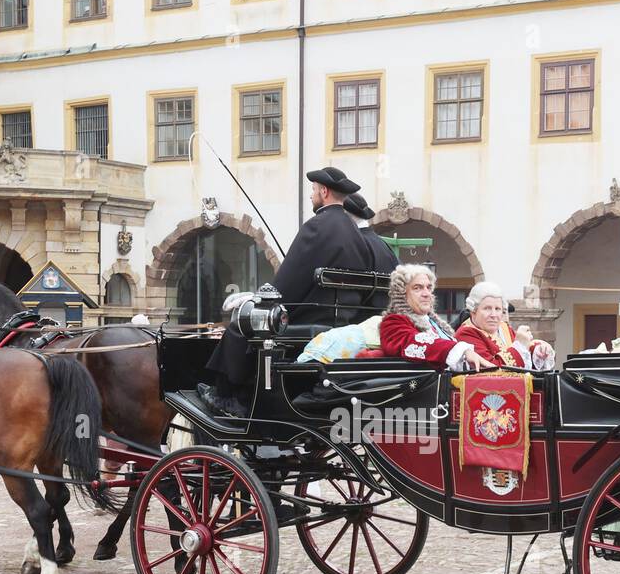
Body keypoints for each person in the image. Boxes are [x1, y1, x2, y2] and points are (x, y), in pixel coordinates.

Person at [198, 166, 376, 417]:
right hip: (340, 320)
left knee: (242, 324)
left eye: (313, 190)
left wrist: (257, 299)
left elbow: (285, 283)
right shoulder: (357, 235)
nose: (312, 195)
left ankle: (231, 397)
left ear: (324, 191)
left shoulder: (316, 227)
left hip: (310, 320)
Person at [379, 265, 496, 371]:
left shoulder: (434, 324)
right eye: (417, 288)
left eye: (428, 288)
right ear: (402, 293)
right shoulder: (392, 323)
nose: (426, 293)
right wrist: (462, 350)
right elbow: (414, 342)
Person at [454, 281, 555, 370]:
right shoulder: (465, 334)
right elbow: (492, 369)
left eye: (498, 309)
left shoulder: (503, 327)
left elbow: (524, 356)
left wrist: (538, 351)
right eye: (487, 308)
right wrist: (520, 345)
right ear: (473, 311)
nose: (494, 315)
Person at [343, 192, 399, 312]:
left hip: (362, 317)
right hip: (384, 312)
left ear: (345, 215)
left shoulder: (354, 244)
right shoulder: (383, 245)